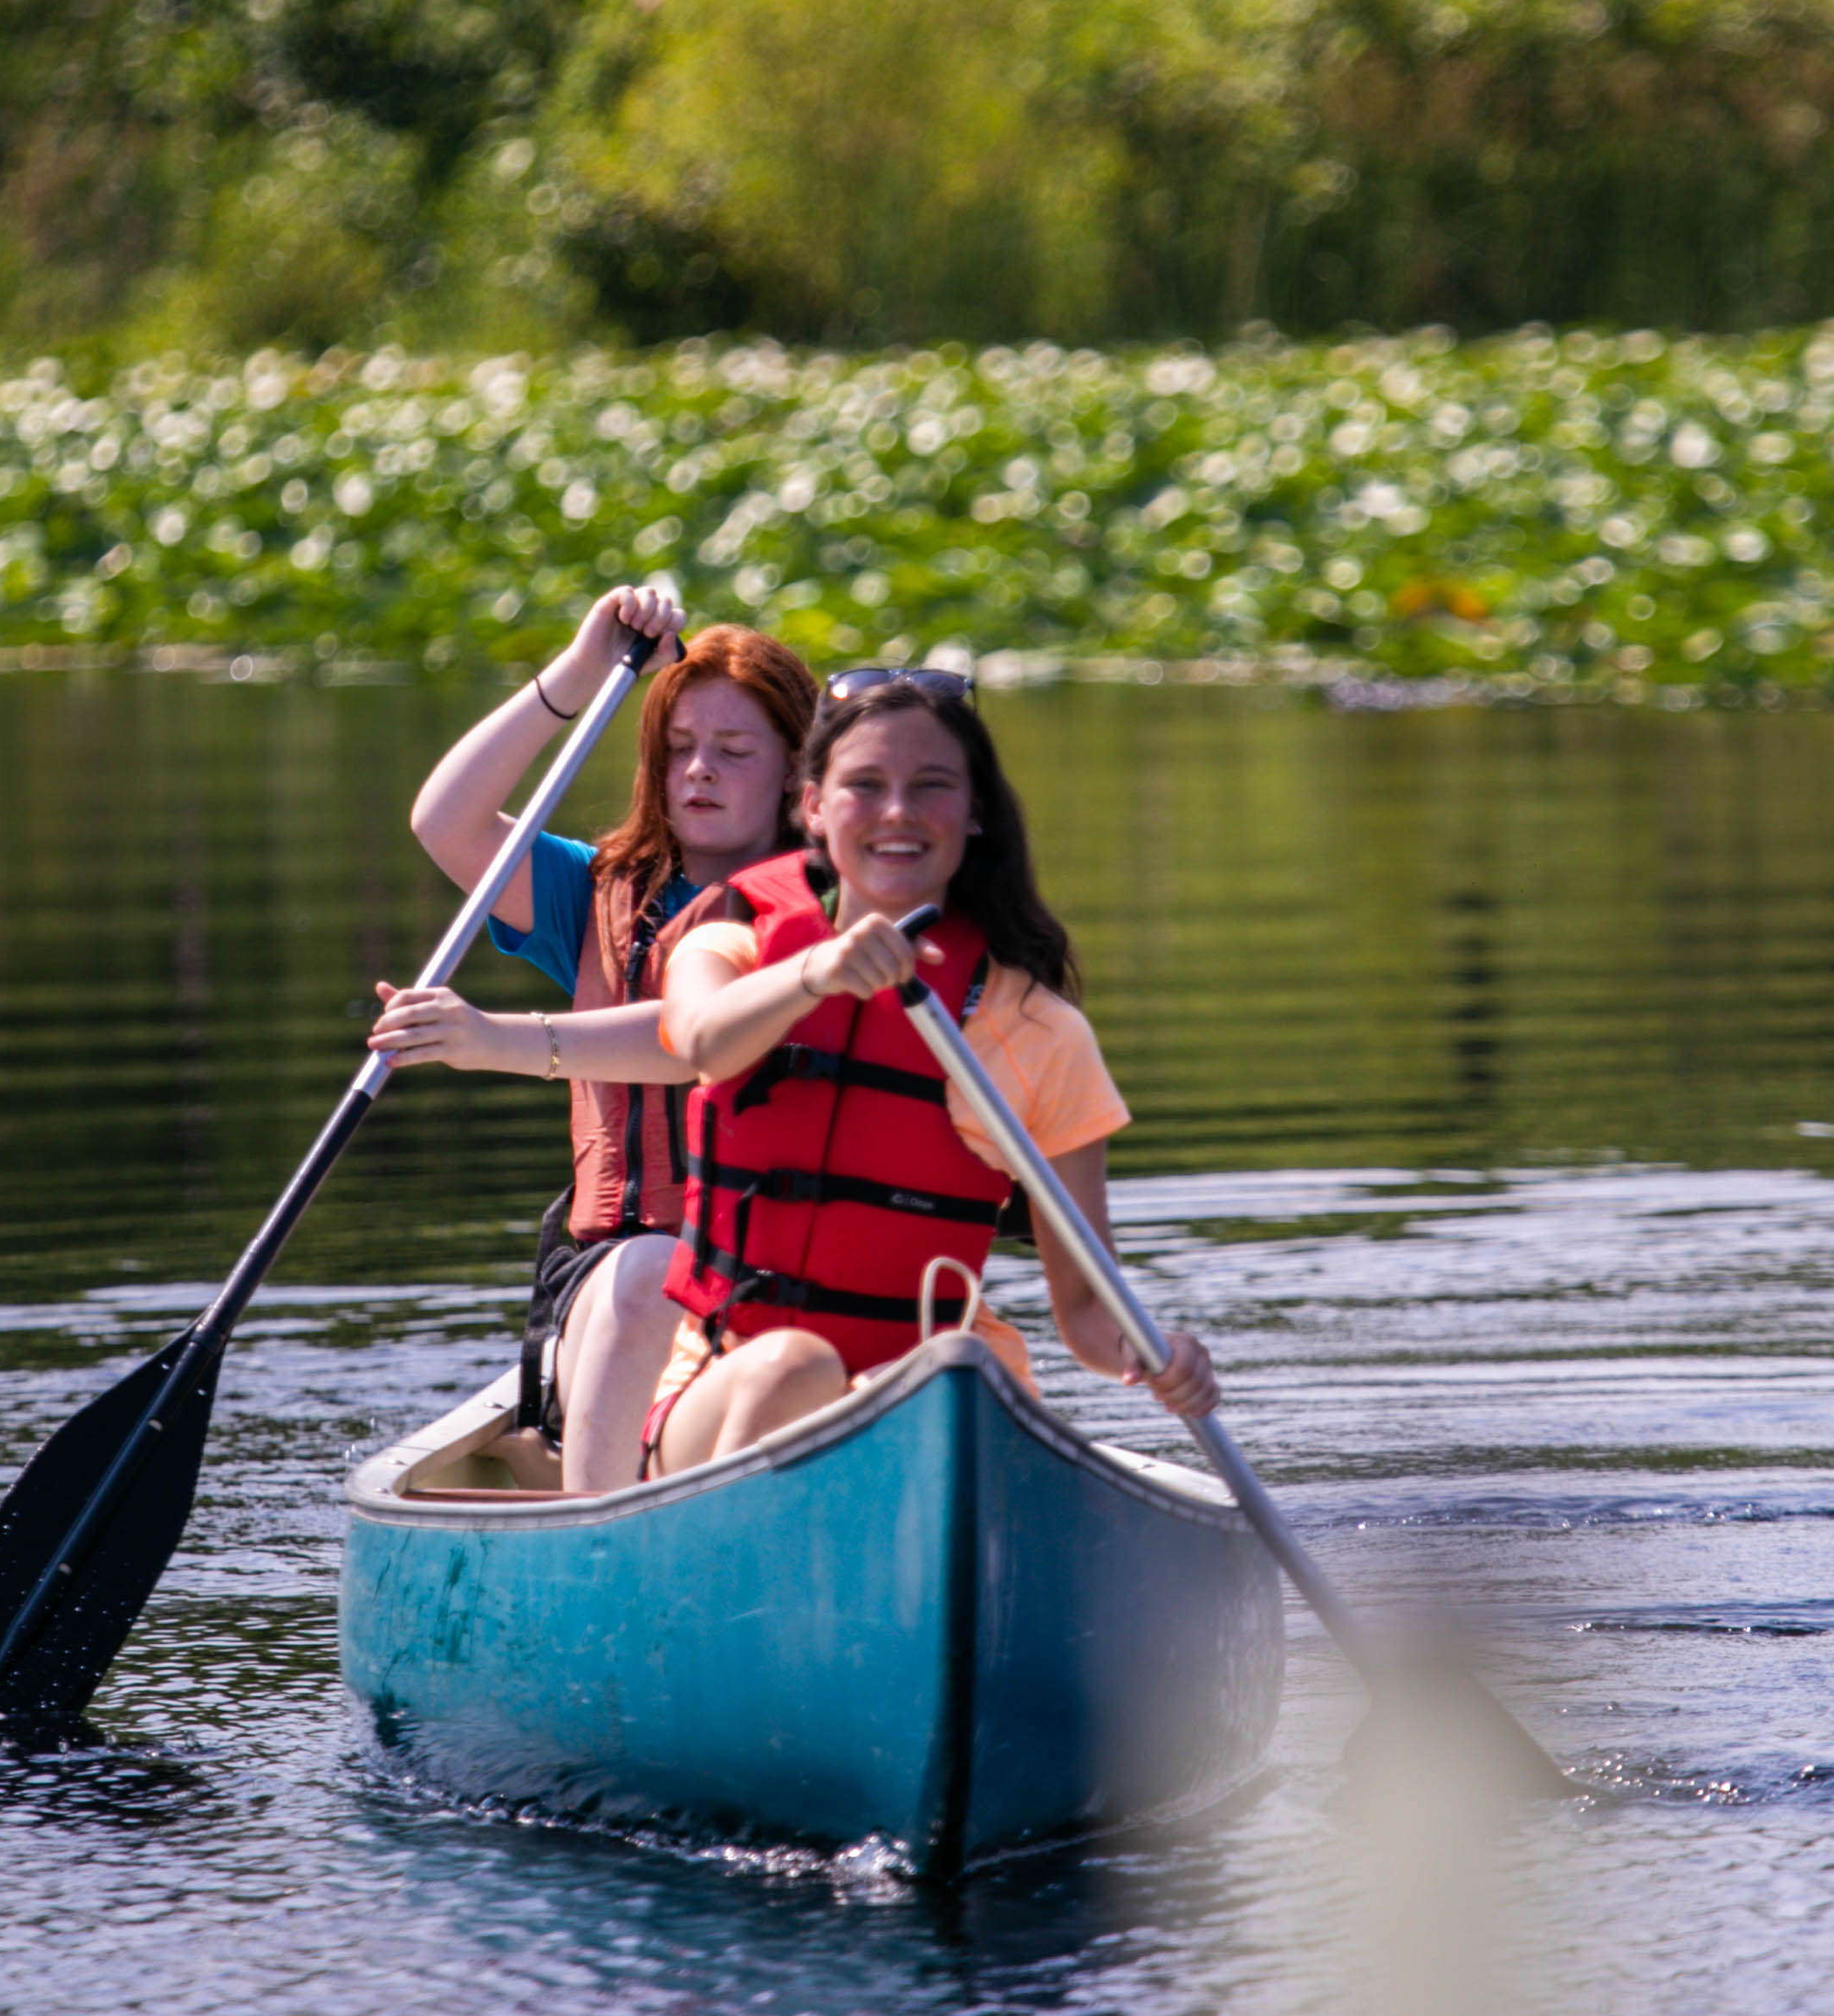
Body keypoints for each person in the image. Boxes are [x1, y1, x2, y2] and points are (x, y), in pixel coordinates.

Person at [640, 670, 1218, 1478]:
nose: (899, 814)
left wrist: (1157, 1354)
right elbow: (700, 1041)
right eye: (865, 786)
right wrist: (817, 974)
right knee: (793, 1365)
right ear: (811, 807)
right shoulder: (733, 947)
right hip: (731, 1387)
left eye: (932, 787)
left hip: (924, 1399)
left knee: (949, 1374)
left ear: (975, 811)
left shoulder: (1040, 1033)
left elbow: (1088, 1312)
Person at [366, 588, 821, 1490]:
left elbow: (697, 1036)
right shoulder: (595, 895)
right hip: (625, 1268)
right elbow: (445, 820)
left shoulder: (831, 916)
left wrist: (499, 1038)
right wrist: (582, 670)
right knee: (656, 1262)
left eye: (733, 752)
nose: (700, 771)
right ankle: (603, 1529)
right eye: (680, 750)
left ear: (794, 777)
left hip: (792, 1274)